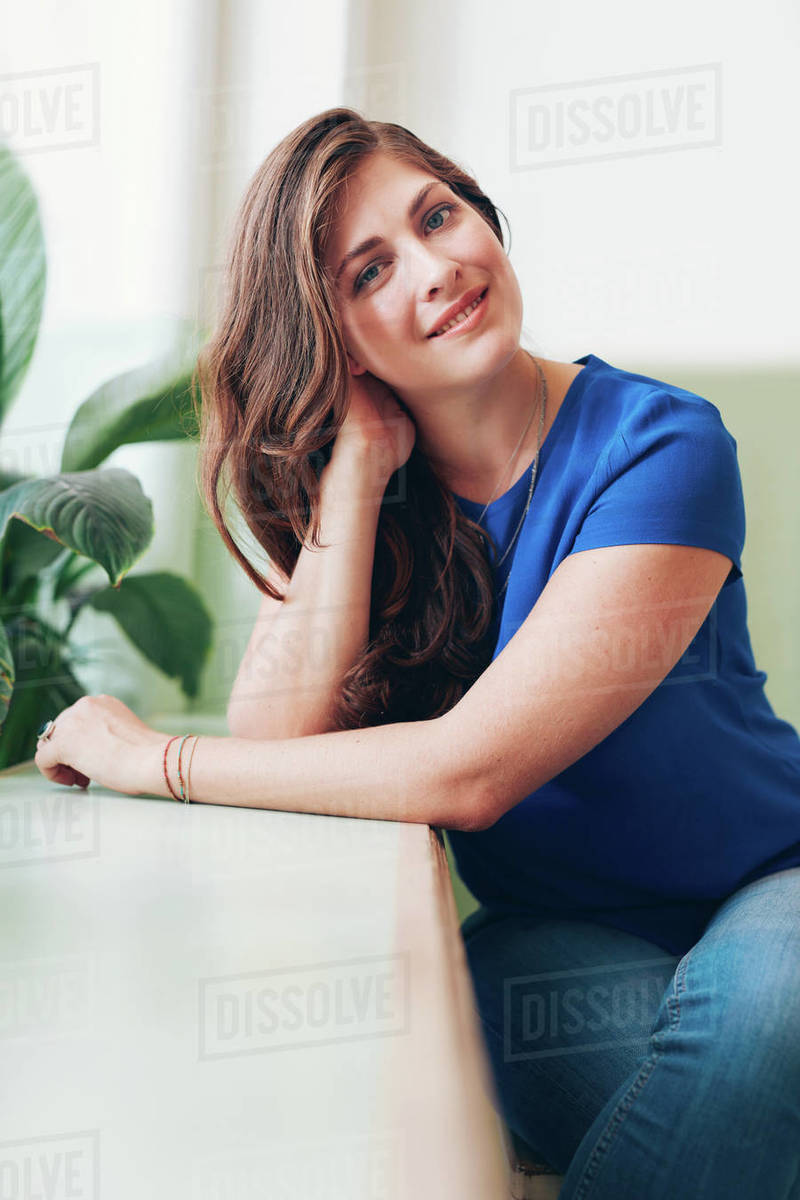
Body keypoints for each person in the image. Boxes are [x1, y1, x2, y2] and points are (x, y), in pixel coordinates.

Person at [34, 108, 800, 1196]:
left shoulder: (662, 444)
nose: (437, 267)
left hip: (770, 887)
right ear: (334, 338)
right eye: (370, 271)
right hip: (546, 938)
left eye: (438, 215)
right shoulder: (379, 507)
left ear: (481, 213)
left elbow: (470, 774)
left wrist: (153, 760)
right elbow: (277, 737)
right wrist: (357, 466)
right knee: (731, 1100)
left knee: (772, 1020)